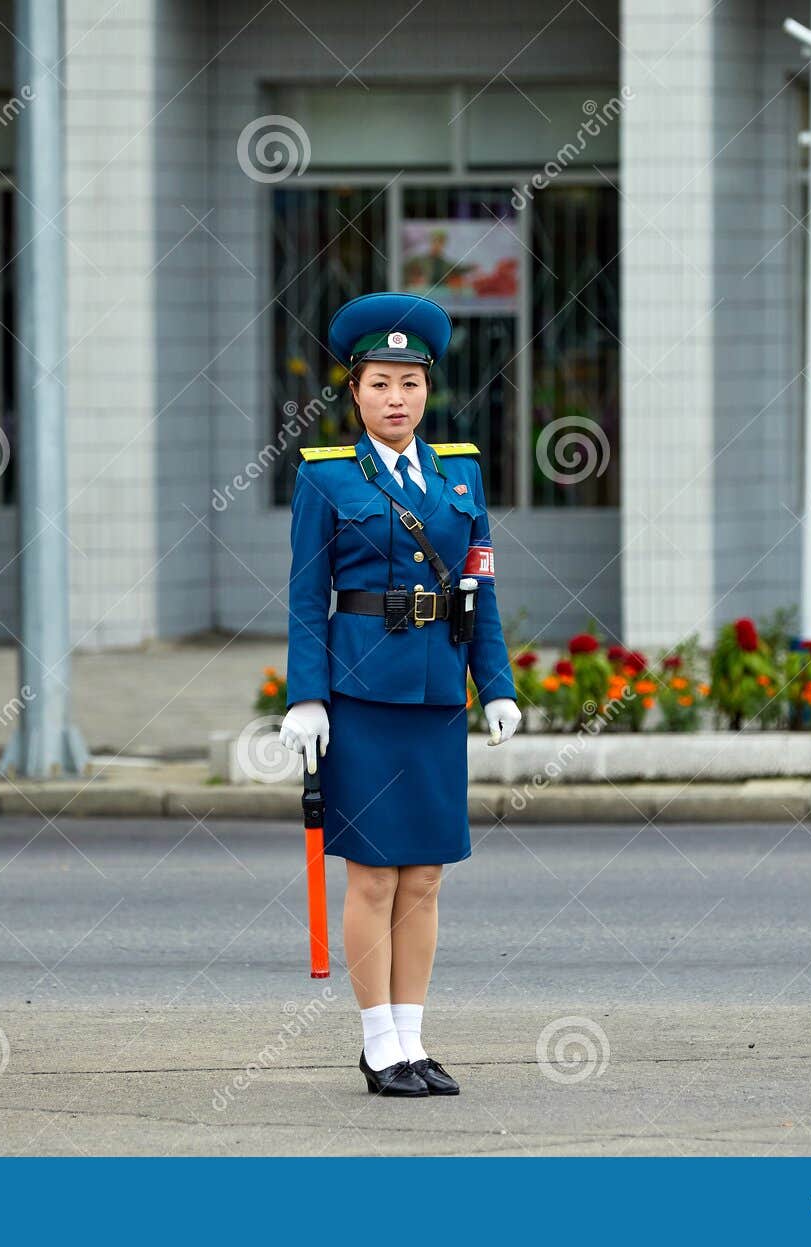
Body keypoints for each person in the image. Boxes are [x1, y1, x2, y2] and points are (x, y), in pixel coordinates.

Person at [279, 291, 522, 1097]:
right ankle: (378, 1044)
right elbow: (305, 596)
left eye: (409, 383)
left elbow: (480, 588)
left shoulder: (461, 473)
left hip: (437, 699)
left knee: (425, 878)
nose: (396, 398)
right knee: (375, 877)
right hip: (362, 697)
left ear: (427, 390)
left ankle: (413, 1040)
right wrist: (306, 696)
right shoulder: (326, 478)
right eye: (380, 383)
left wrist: (496, 685)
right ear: (354, 391)